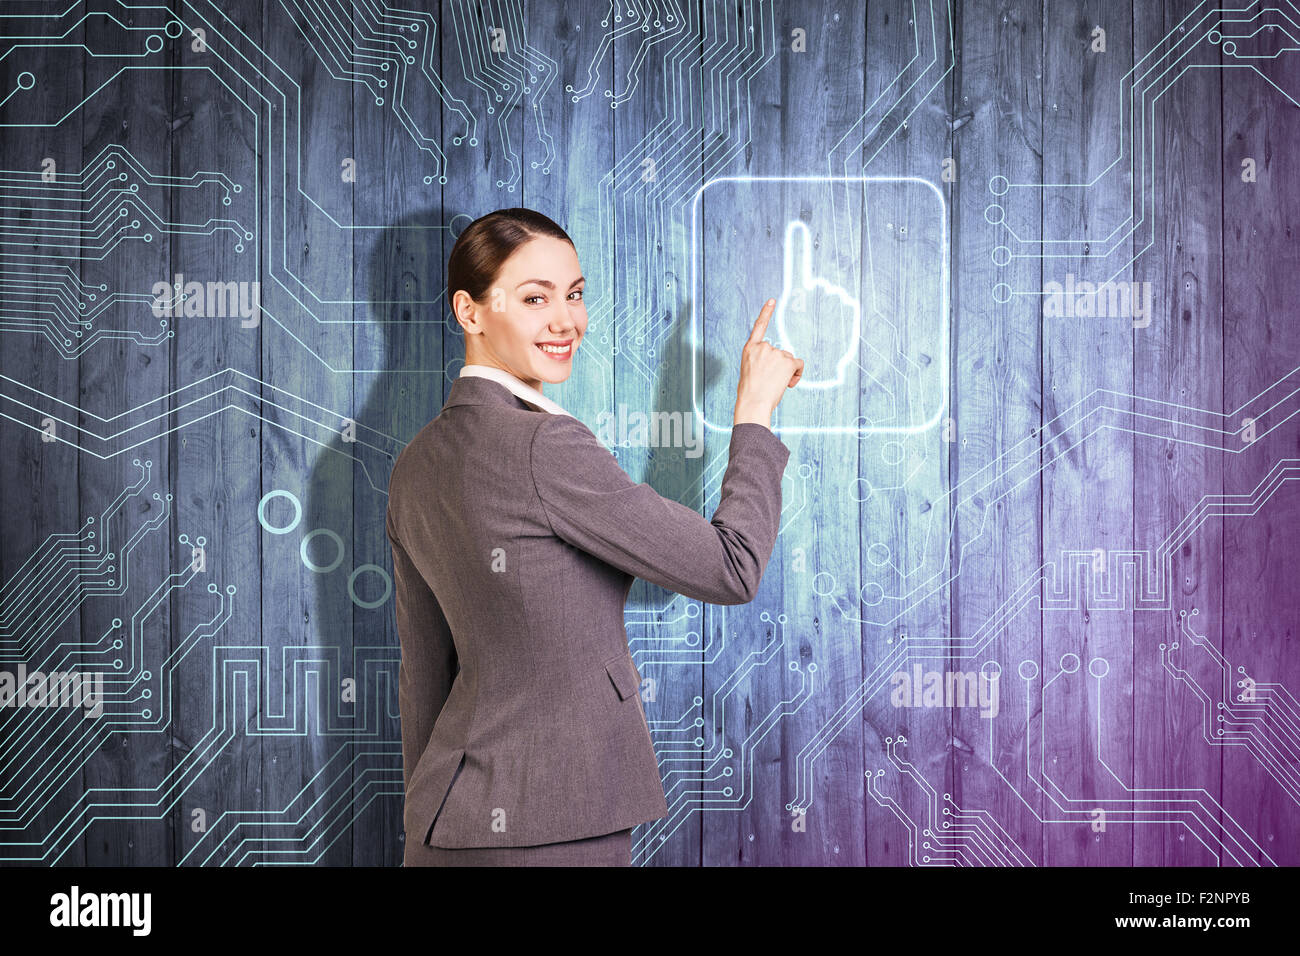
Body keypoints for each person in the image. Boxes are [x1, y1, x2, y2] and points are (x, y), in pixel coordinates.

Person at [386, 207, 803, 866]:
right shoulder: (546, 445)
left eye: (574, 294)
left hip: (443, 825)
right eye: (534, 298)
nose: (565, 321)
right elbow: (732, 566)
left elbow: (424, 674)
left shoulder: (415, 463)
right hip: (558, 824)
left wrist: (427, 813)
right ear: (470, 313)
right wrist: (753, 411)